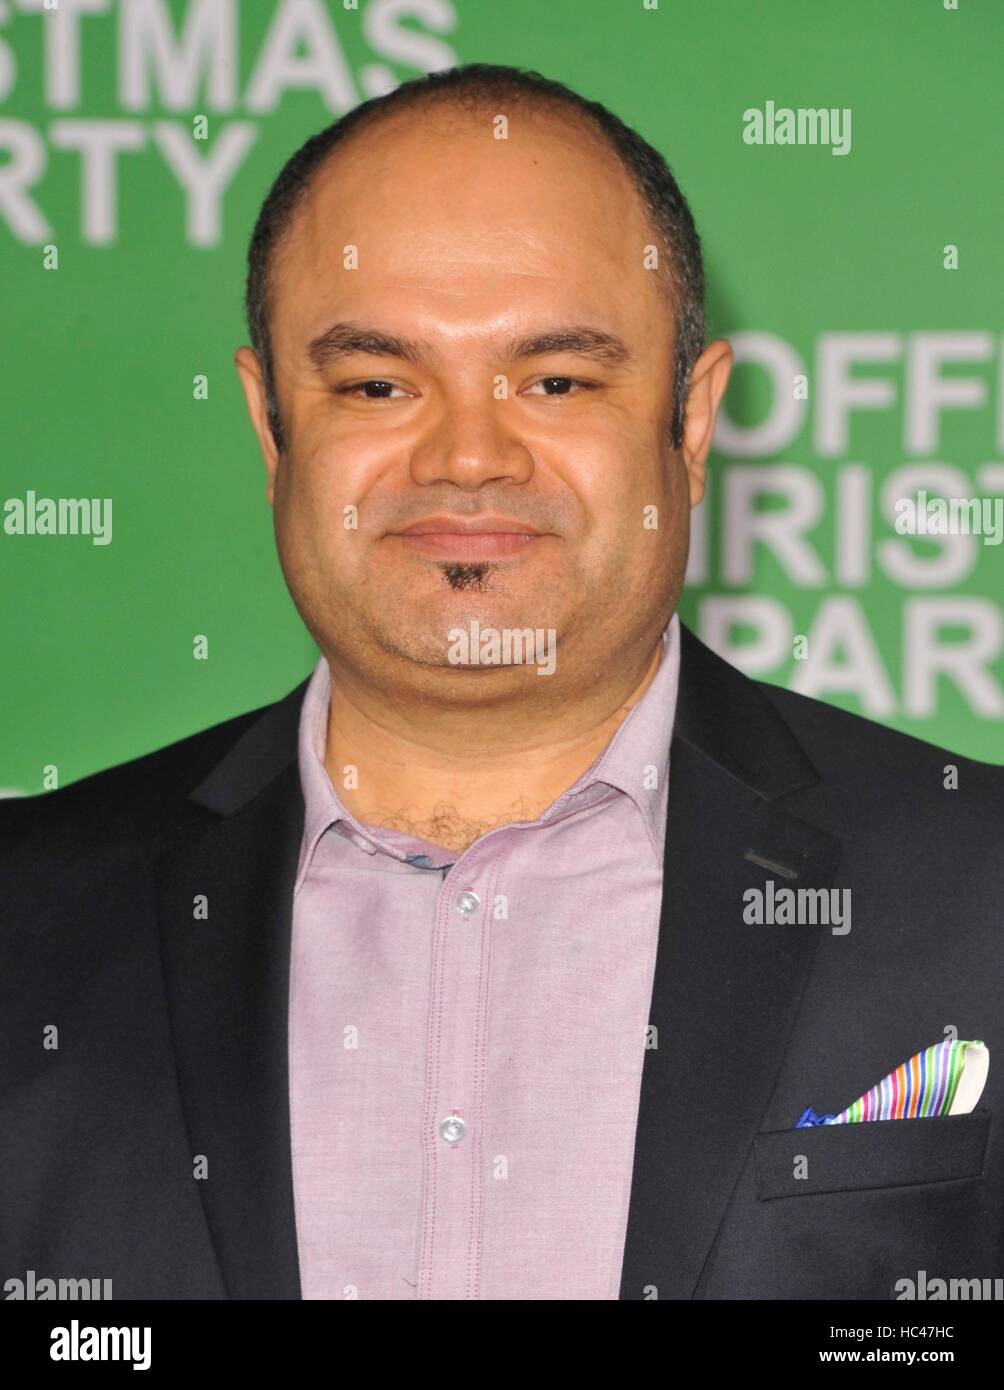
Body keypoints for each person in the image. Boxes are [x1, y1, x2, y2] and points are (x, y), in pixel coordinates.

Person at [2, 63, 1002, 1302]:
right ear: (271, 427)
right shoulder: (26, 920)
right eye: (377, 383)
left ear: (690, 424)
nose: (468, 456)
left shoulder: (978, 890)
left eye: (556, 381)